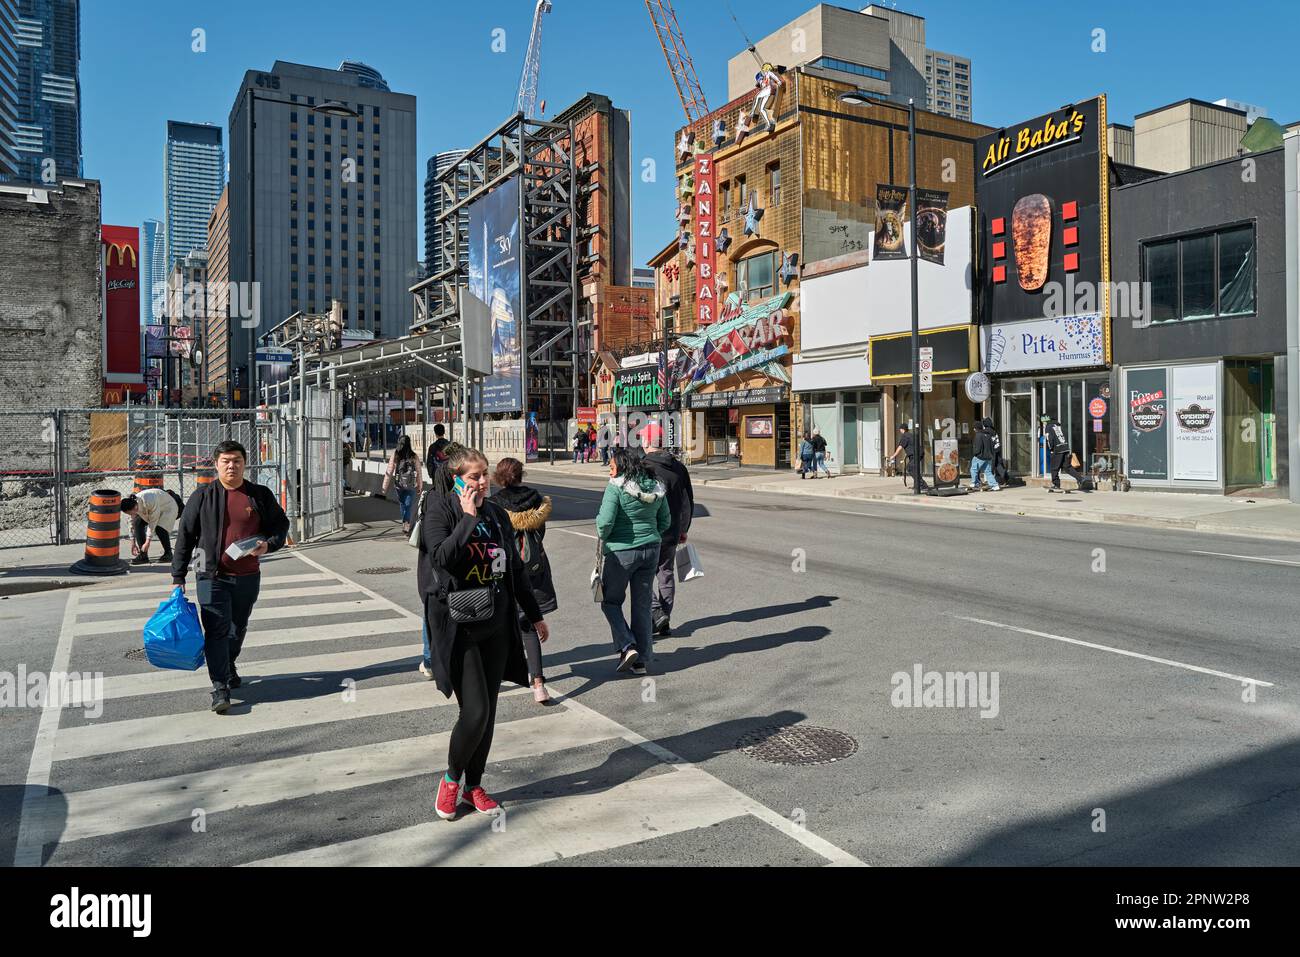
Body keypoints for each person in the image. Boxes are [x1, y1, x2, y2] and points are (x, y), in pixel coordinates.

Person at [419, 445, 549, 820]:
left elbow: (515, 570)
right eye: (474, 476)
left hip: (496, 622)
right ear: (457, 478)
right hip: (460, 626)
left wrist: (534, 613)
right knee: (473, 712)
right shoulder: (439, 508)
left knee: (489, 712)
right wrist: (467, 517)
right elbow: (441, 558)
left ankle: (474, 784)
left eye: (484, 474)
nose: (482, 481)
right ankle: (450, 779)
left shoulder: (496, 514)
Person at [172, 440, 290, 714]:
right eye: (225, 461)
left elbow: (279, 524)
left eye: (236, 460)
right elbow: (185, 537)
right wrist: (178, 576)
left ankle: (230, 663)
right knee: (216, 630)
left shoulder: (258, 495)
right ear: (216, 465)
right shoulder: (202, 496)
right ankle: (220, 686)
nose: (231, 465)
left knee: (237, 628)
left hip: (247, 575)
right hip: (210, 574)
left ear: (244, 463)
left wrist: (269, 545)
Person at [489, 457, 557, 704]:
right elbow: (540, 533)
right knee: (528, 624)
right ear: (521, 474)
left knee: (500, 626)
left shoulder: (495, 503)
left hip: (505, 568)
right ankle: (538, 685)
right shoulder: (536, 499)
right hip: (534, 567)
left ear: (499, 477)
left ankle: (493, 681)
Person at [596, 448, 669, 676]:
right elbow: (665, 520)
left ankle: (627, 645)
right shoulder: (655, 485)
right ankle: (641, 661)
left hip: (621, 553)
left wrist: (605, 534)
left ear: (621, 466)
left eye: (611, 466)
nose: (609, 470)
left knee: (610, 601)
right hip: (651, 549)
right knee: (642, 605)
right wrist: (649, 533)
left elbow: (605, 523)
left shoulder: (616, 486)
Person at [643, 444, 694, 638]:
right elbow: (687, 502)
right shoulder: (679, 467)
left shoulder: (643, 466)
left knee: (642, 576)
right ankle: (664, 619)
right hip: (671, 532)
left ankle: (657, 613)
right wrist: (683, 529)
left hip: (648, 532)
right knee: (666, 574)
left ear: (648, 444)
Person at [120, 487, 184, 565]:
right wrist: (133, 543)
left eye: (132, 512)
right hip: (152, 509)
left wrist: (147, 542)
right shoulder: (132, 507)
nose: (132, 514)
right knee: (137, 523)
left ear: (134, 507)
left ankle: (168, 554)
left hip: (168, 507)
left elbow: (153, 522)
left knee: (159, 528)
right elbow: (131, 524)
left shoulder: (149, 499)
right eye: (129, 513)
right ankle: (143, 556)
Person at [383, 435, 423, 535]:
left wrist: (384, 487)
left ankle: (405, 524)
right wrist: (420, 486)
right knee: (408, 506)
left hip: (398, 485)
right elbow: (419, 472)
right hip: (411, 485)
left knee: (403, 505)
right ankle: (406, 524)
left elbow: (389, 471)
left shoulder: (395, 455)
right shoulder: (414, 456)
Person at [1042, 415, 1092, 493]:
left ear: (1045, 421)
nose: (1043, 424)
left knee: (1054, 468)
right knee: (1067, 467)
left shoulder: (1048, 427)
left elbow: (1050, 439)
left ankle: (1056, 484)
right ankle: (1081, 479)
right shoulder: (1057, 426)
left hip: (1057, 449)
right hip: (1065, 448)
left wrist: (1051, 449)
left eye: (1043, 422)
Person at [891, 425, 929, 490]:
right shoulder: (910, 435)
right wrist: (906, 456)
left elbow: (900, 447)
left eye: (900, 429)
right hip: (918, 453)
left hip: (916, 454)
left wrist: (893, 456)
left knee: (910, 468)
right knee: (914, 469)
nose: (900, 431)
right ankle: (917, 485)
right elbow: (911, 446)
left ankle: (923, 485)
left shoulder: (905, 436)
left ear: (902, 429)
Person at [970, 420, 1001, 492]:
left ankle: (974, 483)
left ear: (976, 428)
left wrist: (975, 454)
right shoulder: (988, 435)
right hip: (989, 457)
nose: (974, 429)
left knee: (973, 469)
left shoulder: (978, 435)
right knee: (988, 472)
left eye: (974, 428)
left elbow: (978, 447)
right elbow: (992, 446)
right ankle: (995, 485)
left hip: (980, 456)